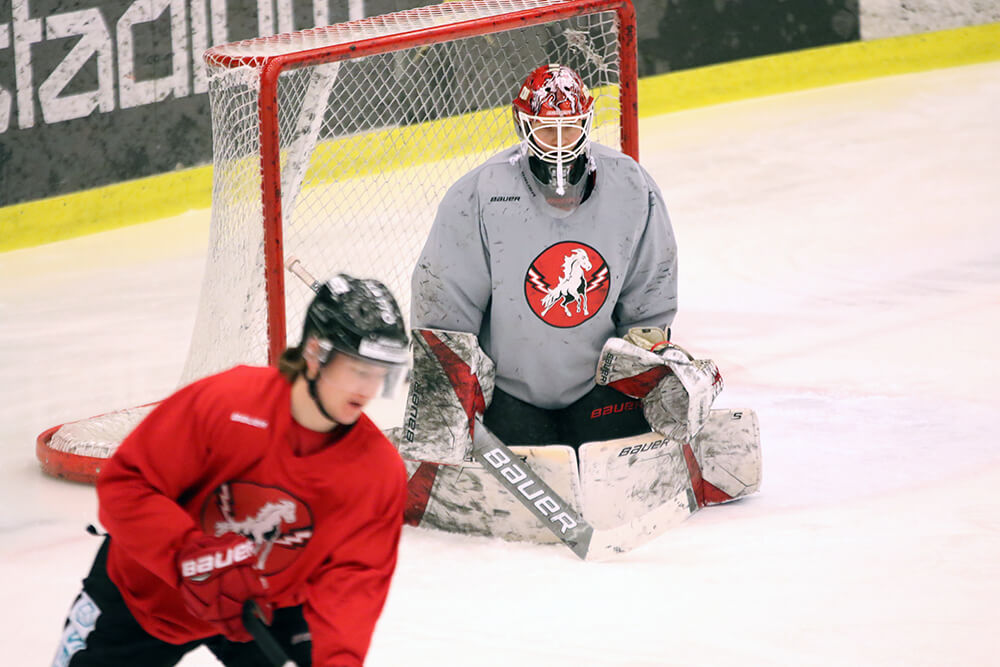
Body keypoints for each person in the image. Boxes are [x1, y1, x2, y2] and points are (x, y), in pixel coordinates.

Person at [52, 274, 410, 667]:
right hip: (147, 595)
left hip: (265, 608)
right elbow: (126, 486)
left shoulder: (376, 472)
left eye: (380, 372)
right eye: (358, 368)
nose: (369, 388)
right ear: (314, 352)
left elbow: (354, 585)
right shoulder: (226, 403)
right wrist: (192, 557)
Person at [409, 63, 679, 449]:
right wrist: (450, 404)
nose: (557, 142)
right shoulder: (480, 192)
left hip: (601, 390)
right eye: (545, 129)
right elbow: (445, 306)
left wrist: (649, 364)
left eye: (568, 128)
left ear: (585, 122)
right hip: (509, 397)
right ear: (523, 125)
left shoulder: (631, 185)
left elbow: (650, 291)